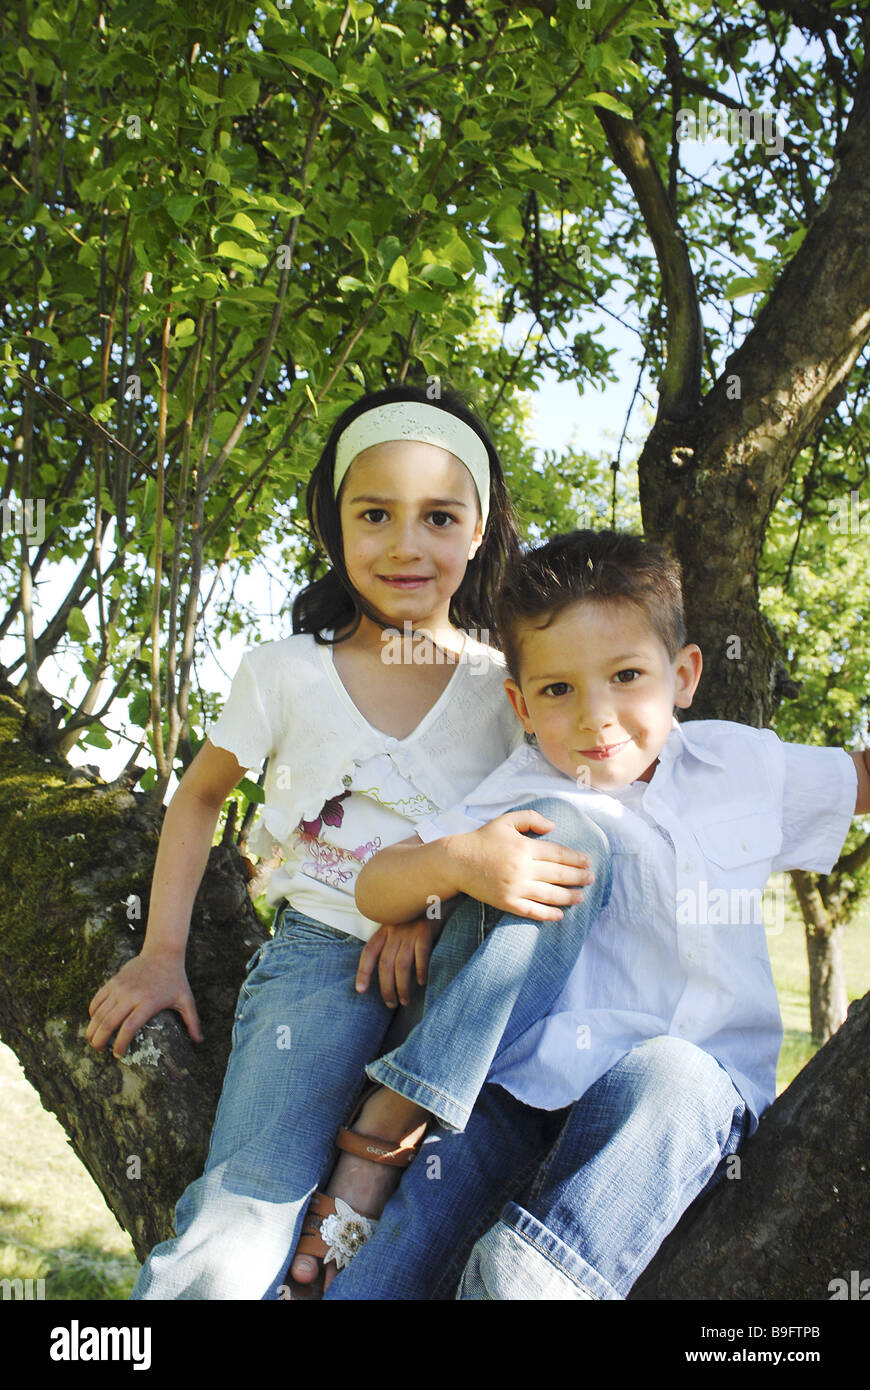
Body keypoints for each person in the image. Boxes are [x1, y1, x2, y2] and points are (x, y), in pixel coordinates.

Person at [84, 382, 600, 1300]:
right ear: (334, 525)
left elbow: (539, 815)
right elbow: (199, 798)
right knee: (246, 1213)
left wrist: (428, 897)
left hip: (459, 970)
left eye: (439, 516)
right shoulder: (285, 673)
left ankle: (368, 1190)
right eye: (375, 514)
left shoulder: (508, 685)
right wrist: (161, 954)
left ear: (478, 531)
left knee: (416, 1226)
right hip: (324, 957)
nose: (407, 544)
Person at [303, 527, 870, 1300]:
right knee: (404, 1249)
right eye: (559, 689)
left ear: (685, 674)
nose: (596, 717)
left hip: (681, 1100)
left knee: (672, 1074)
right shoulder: (527, 784)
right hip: (521, 1090)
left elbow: (858, 783)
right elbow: (379, 881)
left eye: (627, 676)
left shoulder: (744, 766)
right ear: (521, 704)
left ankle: (524, 1284)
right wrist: (462, 862)